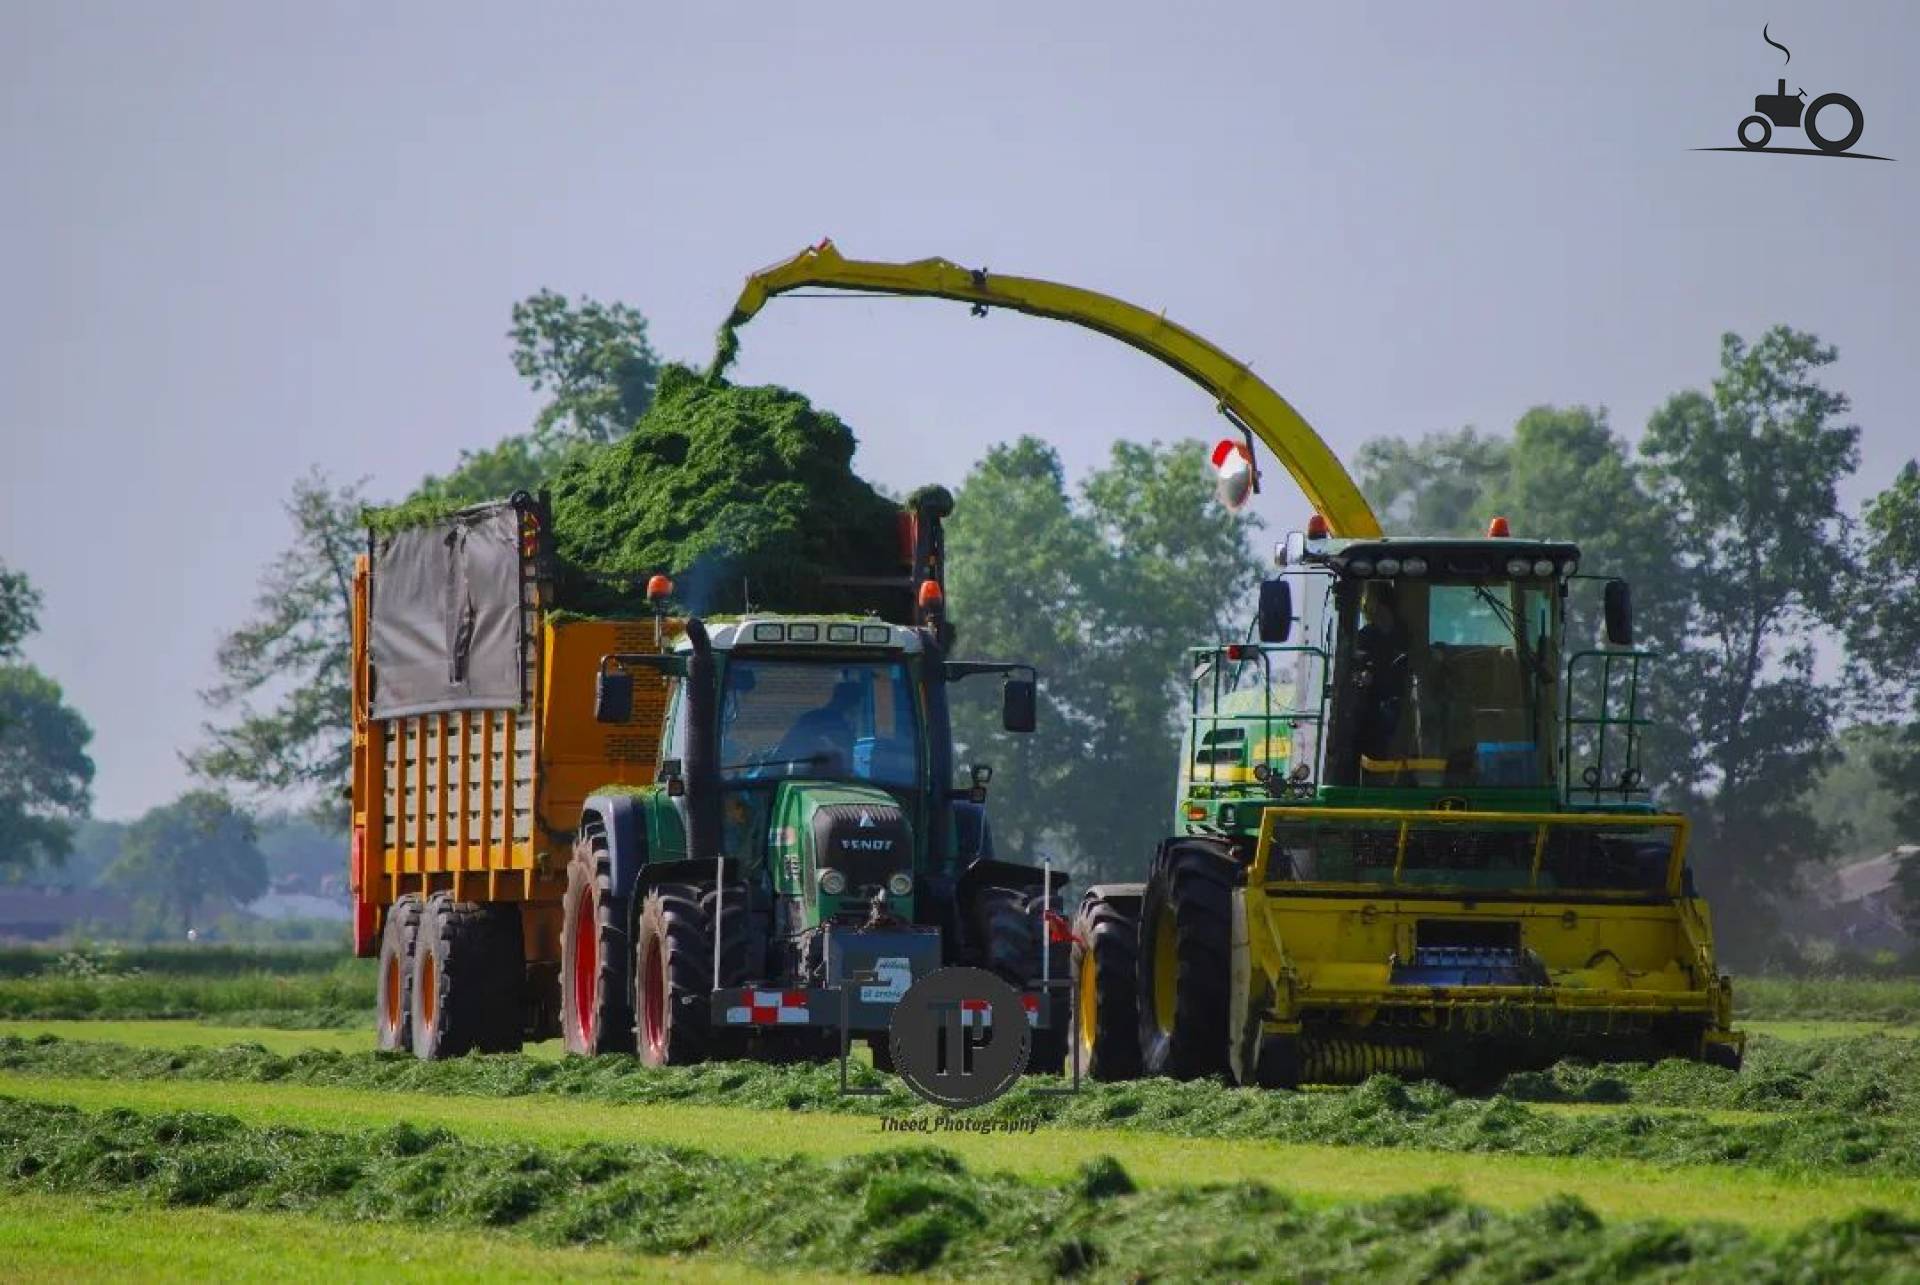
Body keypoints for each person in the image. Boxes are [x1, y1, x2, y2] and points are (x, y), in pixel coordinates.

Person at [1352, 582, 1410, 766]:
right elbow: (1355, 670)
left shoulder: (1407, 635)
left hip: (1406, 702)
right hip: (1374, 704)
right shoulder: (1364, 637)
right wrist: (1362, 677)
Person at [773, 678, 864, 771]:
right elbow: (784, 753)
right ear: (851, 702)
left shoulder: (811, 718)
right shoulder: (814, 721)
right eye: (857, 703)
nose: (858, 708)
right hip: (813, 778)